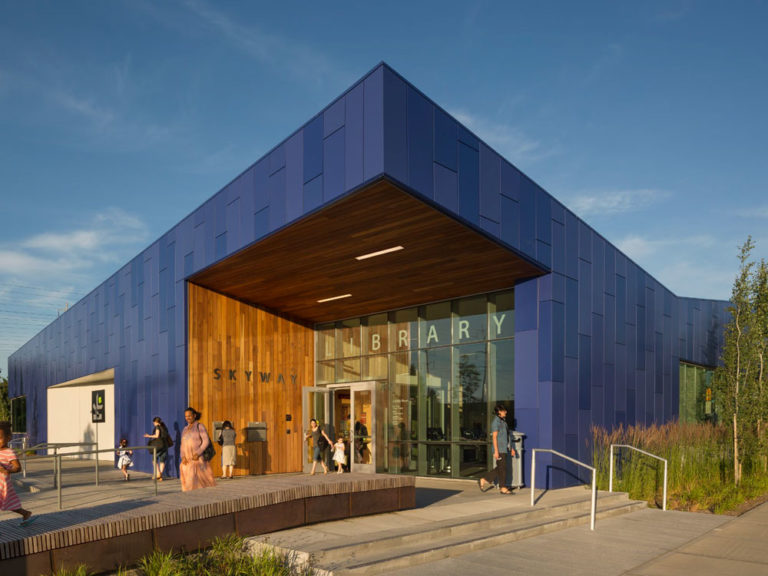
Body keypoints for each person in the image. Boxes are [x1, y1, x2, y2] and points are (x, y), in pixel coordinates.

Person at [0, 421, 34, 526]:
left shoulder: (9, 452)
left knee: (7, 502)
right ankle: (25, 513)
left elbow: (18, 468)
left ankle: (25, 513)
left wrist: (7, 470)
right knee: (8, 503)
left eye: (0, 438)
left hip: (2, 484)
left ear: (8, 438)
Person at [478, 404, 515, 494]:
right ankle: (503, 487)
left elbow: (506, 437)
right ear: (499, 412)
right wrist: (496, 451)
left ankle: (485, 479)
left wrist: (511, 448)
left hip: (504, 448)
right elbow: (494, 437)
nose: (505, 412)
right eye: (504, 411)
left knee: (501, 468)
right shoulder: (496, 422)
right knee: (502, 469)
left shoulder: (503, 422)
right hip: (499, 449)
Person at [179, 407, 216, 491]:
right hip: (187, 461)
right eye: (186, 416)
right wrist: (183, 456)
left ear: (194, 416)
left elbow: (206, 441)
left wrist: (198, 453)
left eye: (189, 416)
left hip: (197, 459)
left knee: (201, 483)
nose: (187, 418)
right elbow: (182, 445)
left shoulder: (200, 426)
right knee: (189, 483)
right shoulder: (185, 429)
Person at [143, 416, 171, 481]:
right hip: (165, 445)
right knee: (162, 460)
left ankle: (158, 473)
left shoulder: (157, 427)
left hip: (159, 445)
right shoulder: (164, 427)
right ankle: (160, 476)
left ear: (156, 422)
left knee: (154, 460)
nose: (154, 424)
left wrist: (148, 436)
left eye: (154, 423)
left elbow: (157, 435)